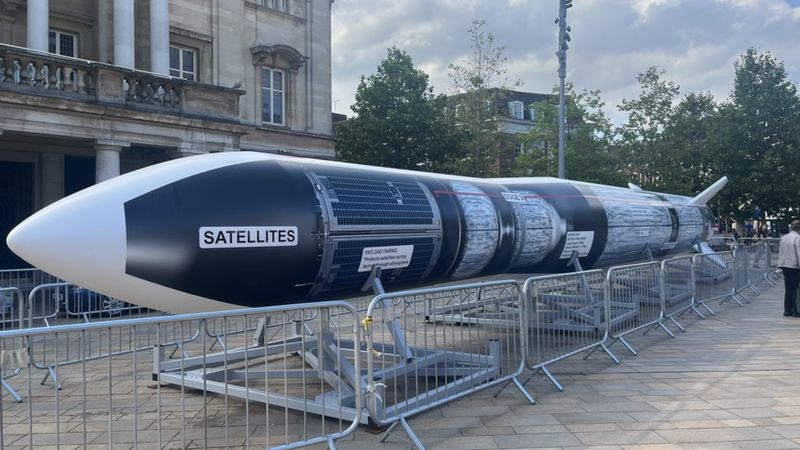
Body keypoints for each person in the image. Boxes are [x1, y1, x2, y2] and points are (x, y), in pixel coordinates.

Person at [777, 220, 800, 317]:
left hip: (785, 265)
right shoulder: (797, 238)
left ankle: (787, 310)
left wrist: (780, 264)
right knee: (796, 289)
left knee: (788, 289)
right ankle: (796, 310)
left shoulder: (784, 238)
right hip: (794, 266)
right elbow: (799, 252)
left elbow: (781, 252)